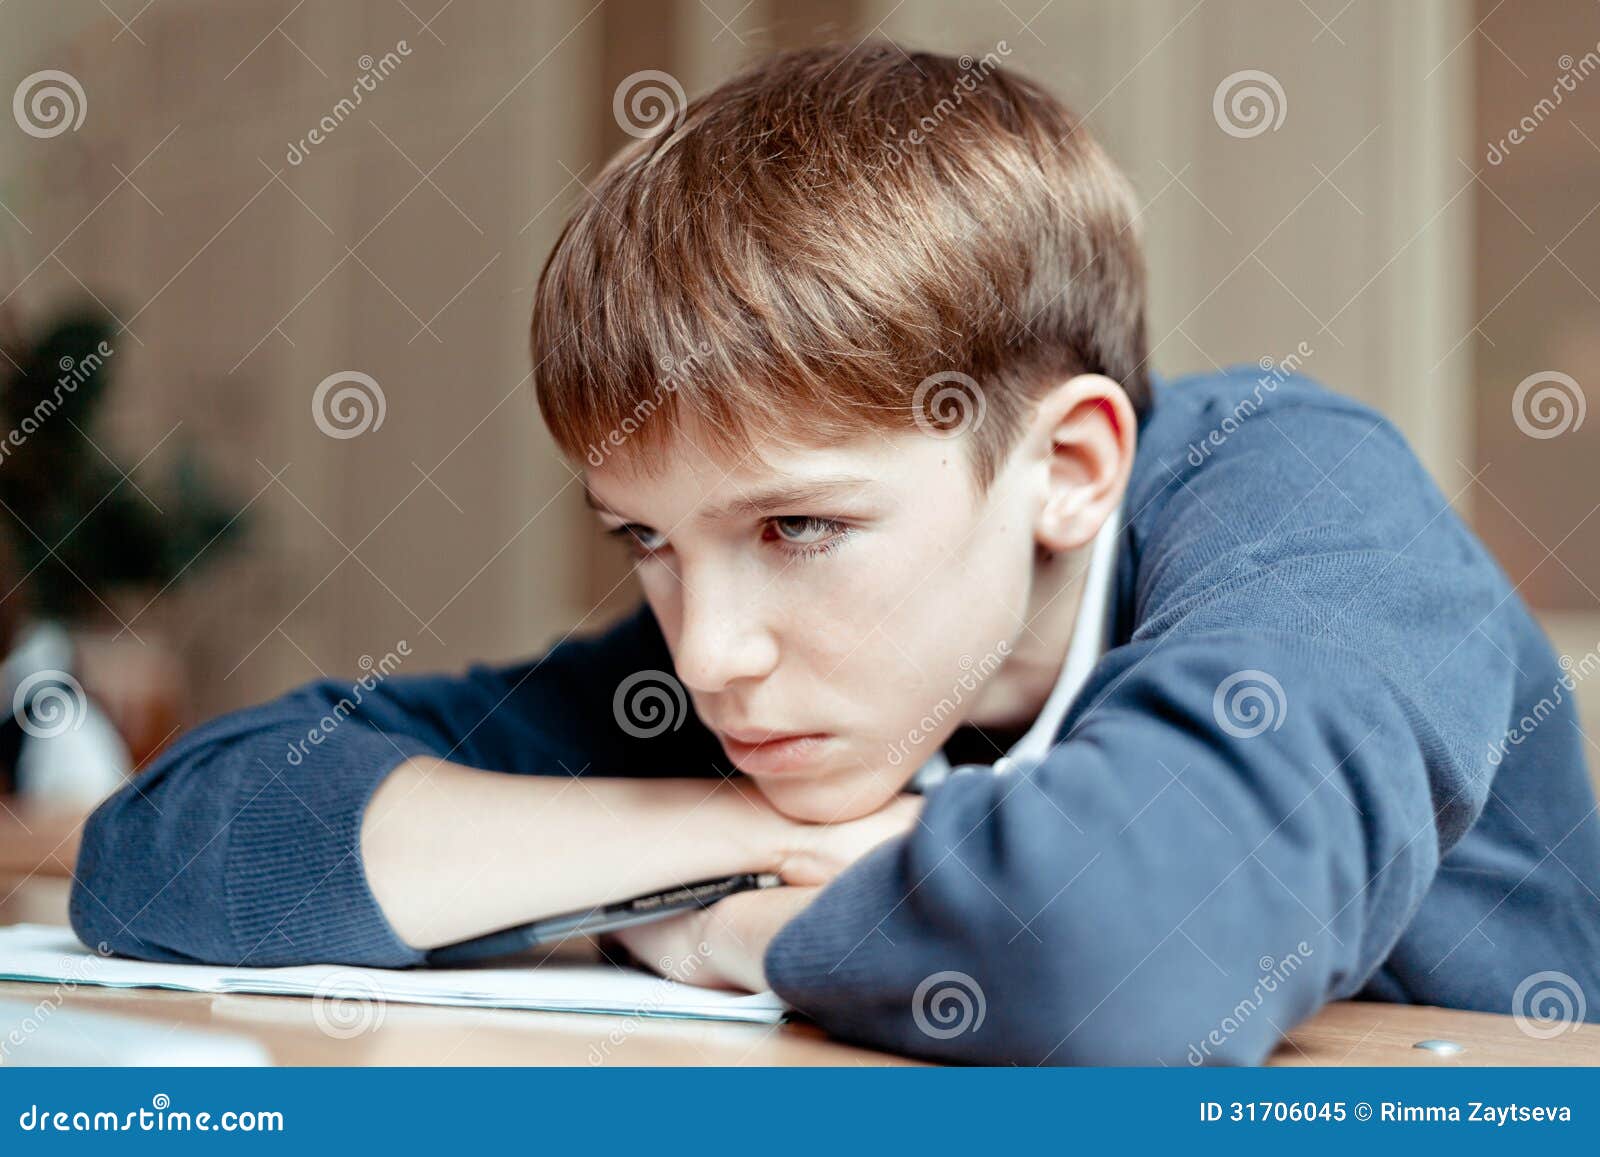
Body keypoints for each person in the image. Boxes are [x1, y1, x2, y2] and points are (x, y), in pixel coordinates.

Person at [70, 42, 1600, 1065]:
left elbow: (1128, 945)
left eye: (798, 527)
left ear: (1069, 469)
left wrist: (725, 923)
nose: (710, 652)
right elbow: (171, 844)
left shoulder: (1306, 503)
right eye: (647, 540)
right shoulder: (773, 664)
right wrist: (714, 833)